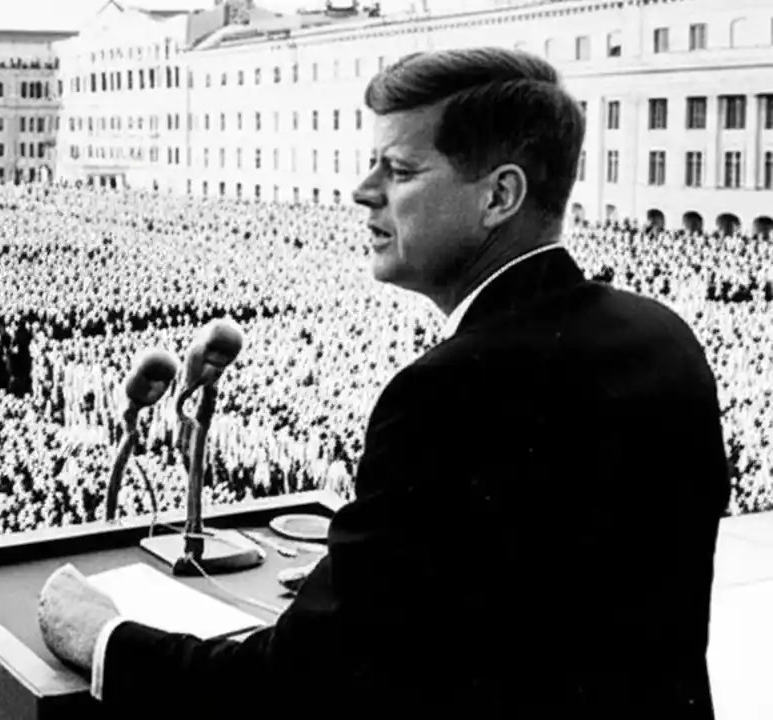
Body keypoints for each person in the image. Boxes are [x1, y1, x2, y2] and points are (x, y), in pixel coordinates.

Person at [37, 46, 731, 719]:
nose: (362, 190)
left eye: (398, 170)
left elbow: (299, 691)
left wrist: (104, 639)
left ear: (499, 196)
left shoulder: (449, 392)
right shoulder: (661, 335)